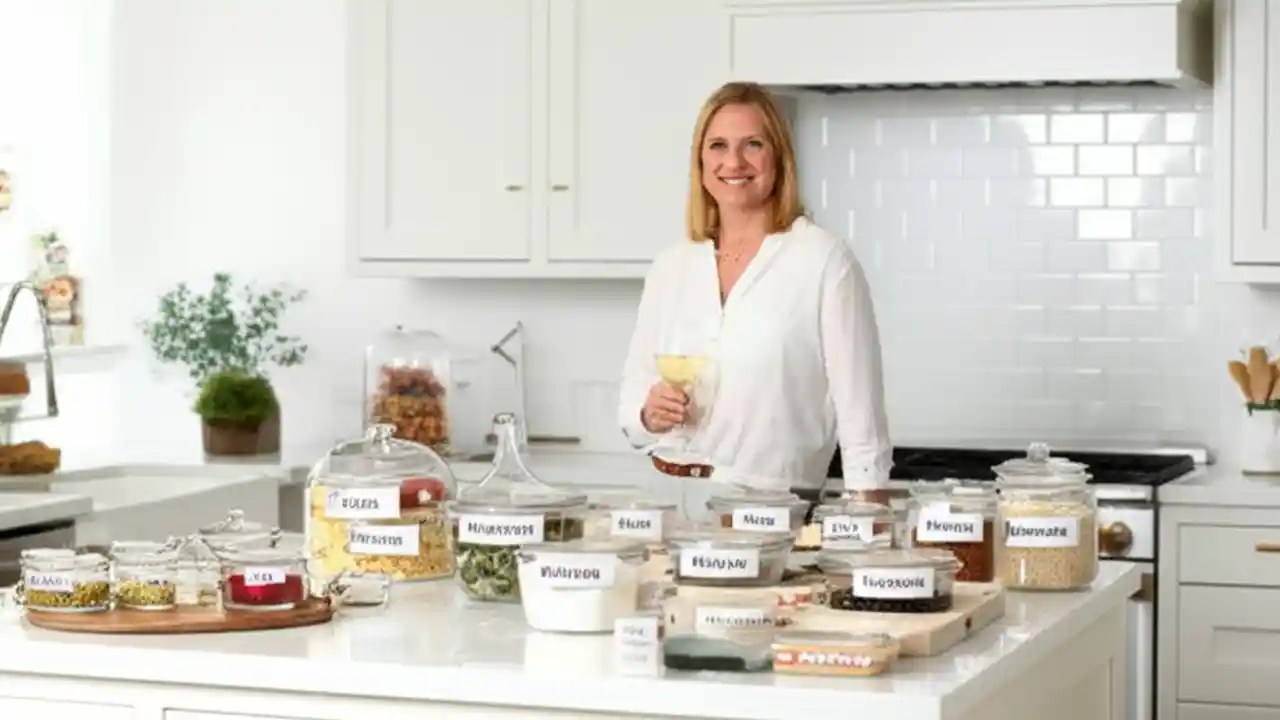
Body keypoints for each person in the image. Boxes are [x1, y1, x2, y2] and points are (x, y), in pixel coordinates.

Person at [617, 81, 893, 500]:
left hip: (772, 511)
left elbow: (862, 425)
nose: (734, 161)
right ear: (700, 160)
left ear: (778, 156)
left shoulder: (823, 261)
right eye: (718, 146)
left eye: (753, 144)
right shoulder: (671, 267)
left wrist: (869, 525)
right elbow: (632, 404)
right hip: (669, 504)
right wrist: (648, 413)